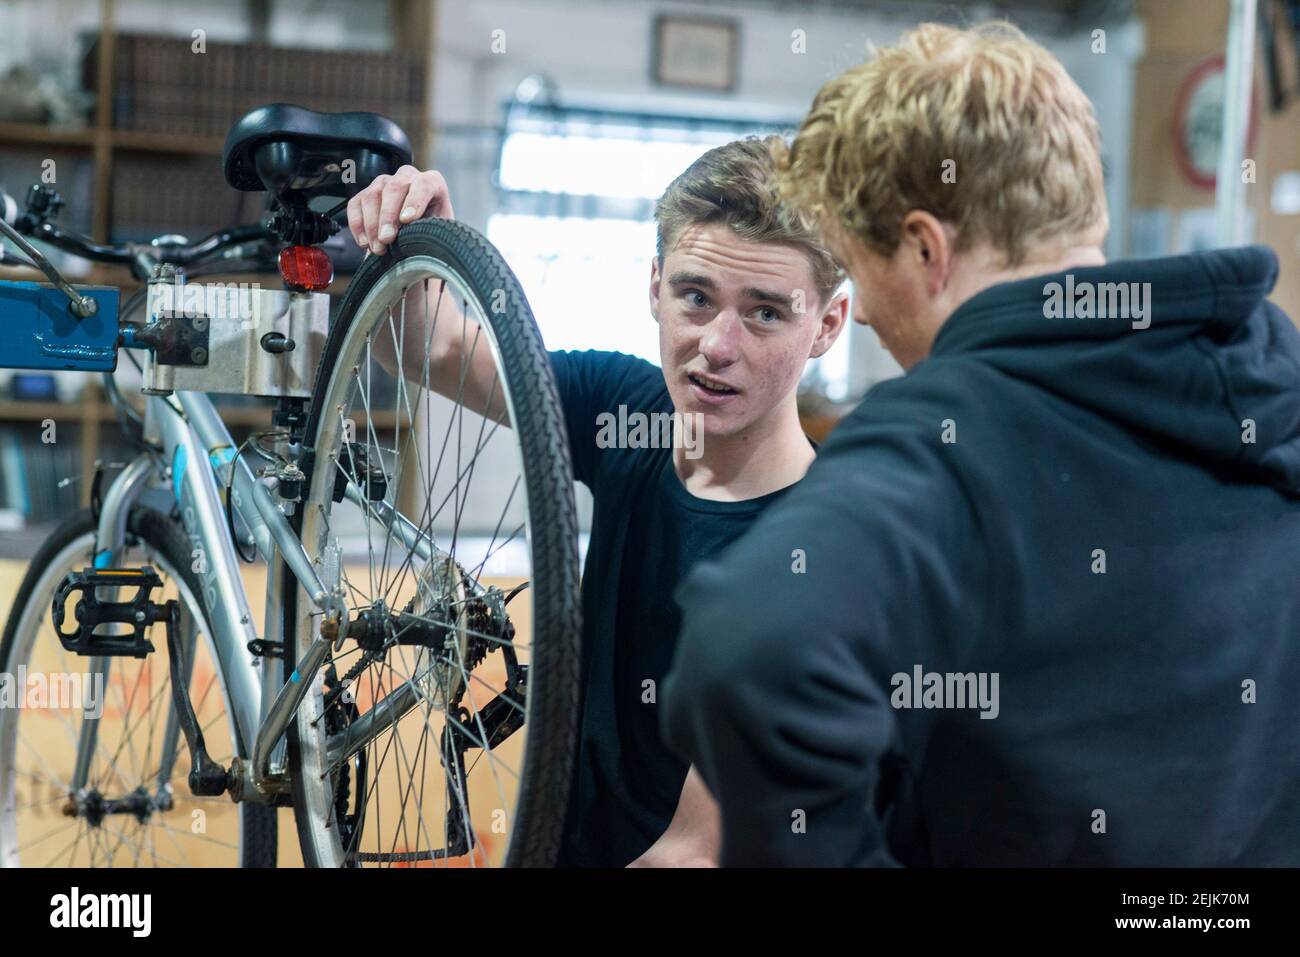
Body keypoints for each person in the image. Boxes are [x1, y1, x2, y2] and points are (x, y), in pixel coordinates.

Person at [661, 21, 1300, 866]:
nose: (881, 326)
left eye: (866, 267)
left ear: (927, 249)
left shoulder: (944, 437)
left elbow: (743, 652)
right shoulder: (1271, 380)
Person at [346, 136, 848, 866]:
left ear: (827, 325)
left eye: (766, 313)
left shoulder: (821, 554)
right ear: (655, 286)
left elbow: (692, 851)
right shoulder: (626, 406)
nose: (716, 344)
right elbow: (432, 350)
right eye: (696, 296)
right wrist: (413, 241)